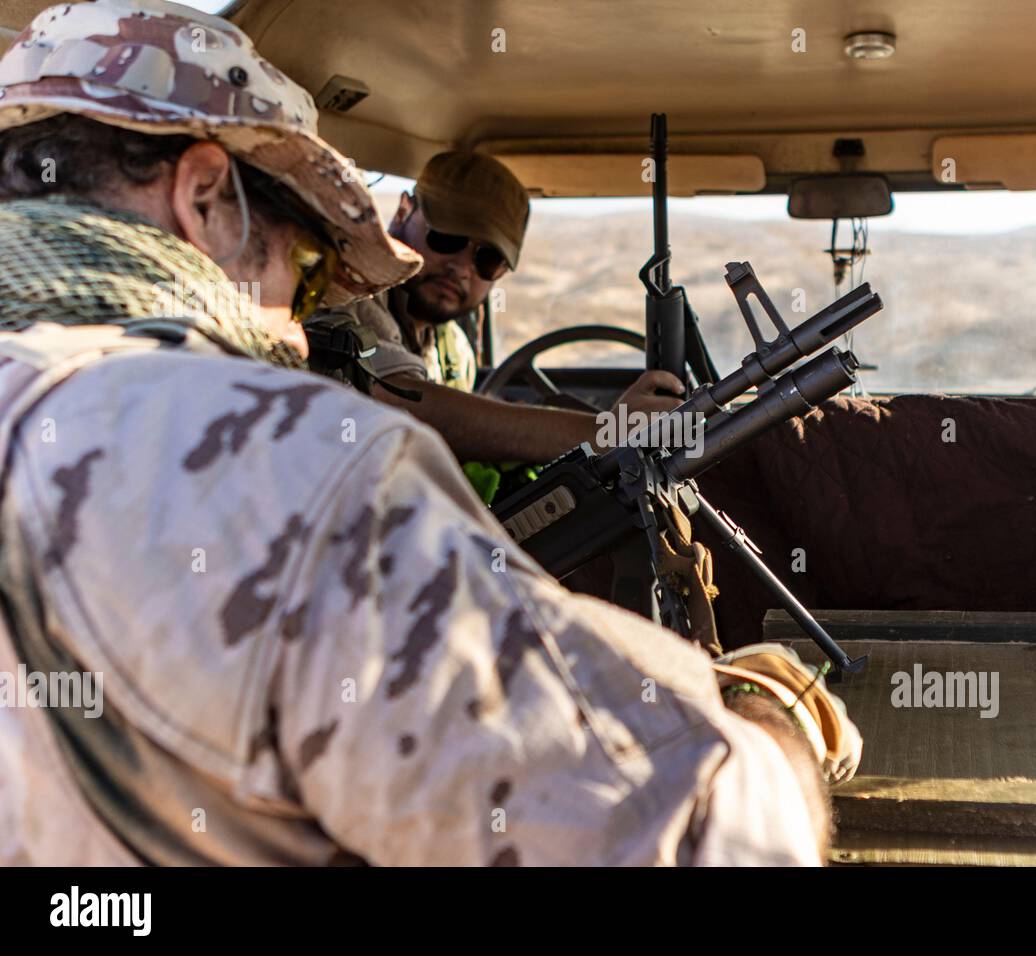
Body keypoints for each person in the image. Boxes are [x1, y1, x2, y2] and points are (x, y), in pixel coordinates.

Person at [0, 0, 854, 867]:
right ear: (206, 196)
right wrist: (769, 718)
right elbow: (715, 843)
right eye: (302, 277)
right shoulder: (297, 468)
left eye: (489, 260)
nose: (298, 334)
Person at [309, 150, 686, 467]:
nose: (462, 267)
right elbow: (401, 402)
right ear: (403, 212)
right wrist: (604, 432)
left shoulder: (454, 349)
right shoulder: (346, 296)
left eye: (487, 259)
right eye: (447, 238)